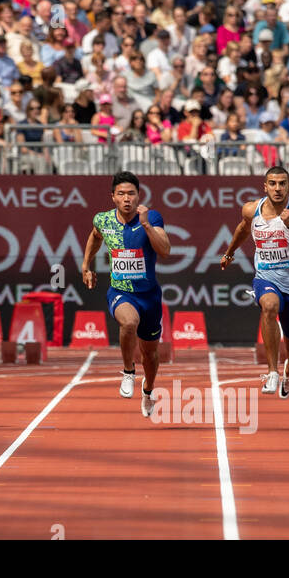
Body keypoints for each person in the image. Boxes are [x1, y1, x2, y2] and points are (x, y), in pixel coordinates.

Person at [219, 167, 289, 397]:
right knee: (269, 306)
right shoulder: (252, 209)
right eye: (272, 183)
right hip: (265, 278)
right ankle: (272, 372)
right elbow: (243, 228)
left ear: (288, 187)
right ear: (265, 186)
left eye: (282, 183)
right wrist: (230, 252)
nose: (277, 188)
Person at [80, 170, 171, 417]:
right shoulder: (103, 220)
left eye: (131, 193)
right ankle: (128, 372)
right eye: (121, 194)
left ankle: (148, 390)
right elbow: (95, 237)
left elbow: (165, 250)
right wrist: (86, 265)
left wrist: (146, 226)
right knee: (129, 322)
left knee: (151, 354)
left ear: (138, 195)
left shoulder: (152, 217)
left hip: (149, 296)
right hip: (121, 292)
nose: (127, 198)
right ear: (113, 197)